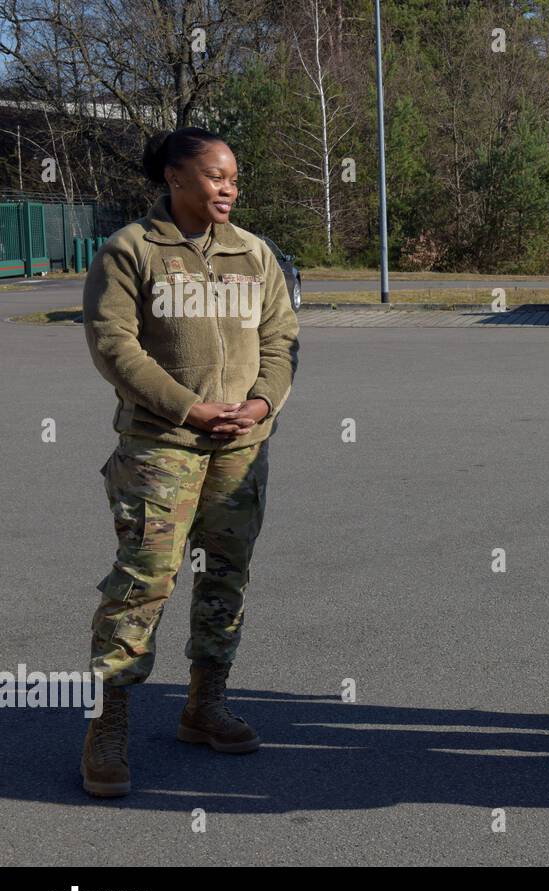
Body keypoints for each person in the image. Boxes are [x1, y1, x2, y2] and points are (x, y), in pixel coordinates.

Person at [80, 127, 300, 797]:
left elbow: (281, 340)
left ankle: (205, 706)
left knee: (226, 576)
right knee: (143, 580)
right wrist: (189, 408)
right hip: (161, 448)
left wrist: (261, 405)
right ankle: (107, 722)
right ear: (175, 179)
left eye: (234, 176)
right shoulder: (131, 251)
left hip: (241, 448)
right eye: (215, 175)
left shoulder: (254, 254)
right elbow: (114, 347)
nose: (229, 186)